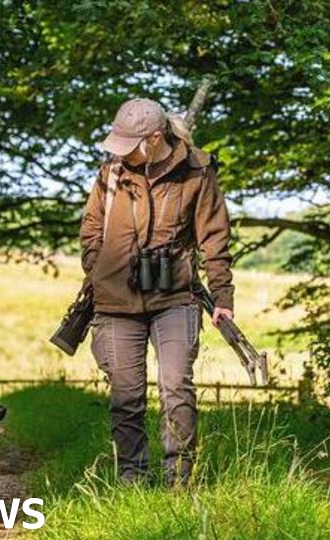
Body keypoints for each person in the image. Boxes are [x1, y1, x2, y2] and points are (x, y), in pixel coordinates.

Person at [78, 97, 235, 488]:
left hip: (174, 299)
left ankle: (178, 481)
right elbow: (90, 228)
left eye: (127, 142)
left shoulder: (196, 173)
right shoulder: (111, 172)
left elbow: (214, 239)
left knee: (176, 386)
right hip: (114, 302)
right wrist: (99, 269)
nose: (120, 150)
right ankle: (132, 480)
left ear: (151, 139)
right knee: (126, 396)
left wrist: (223, 299)